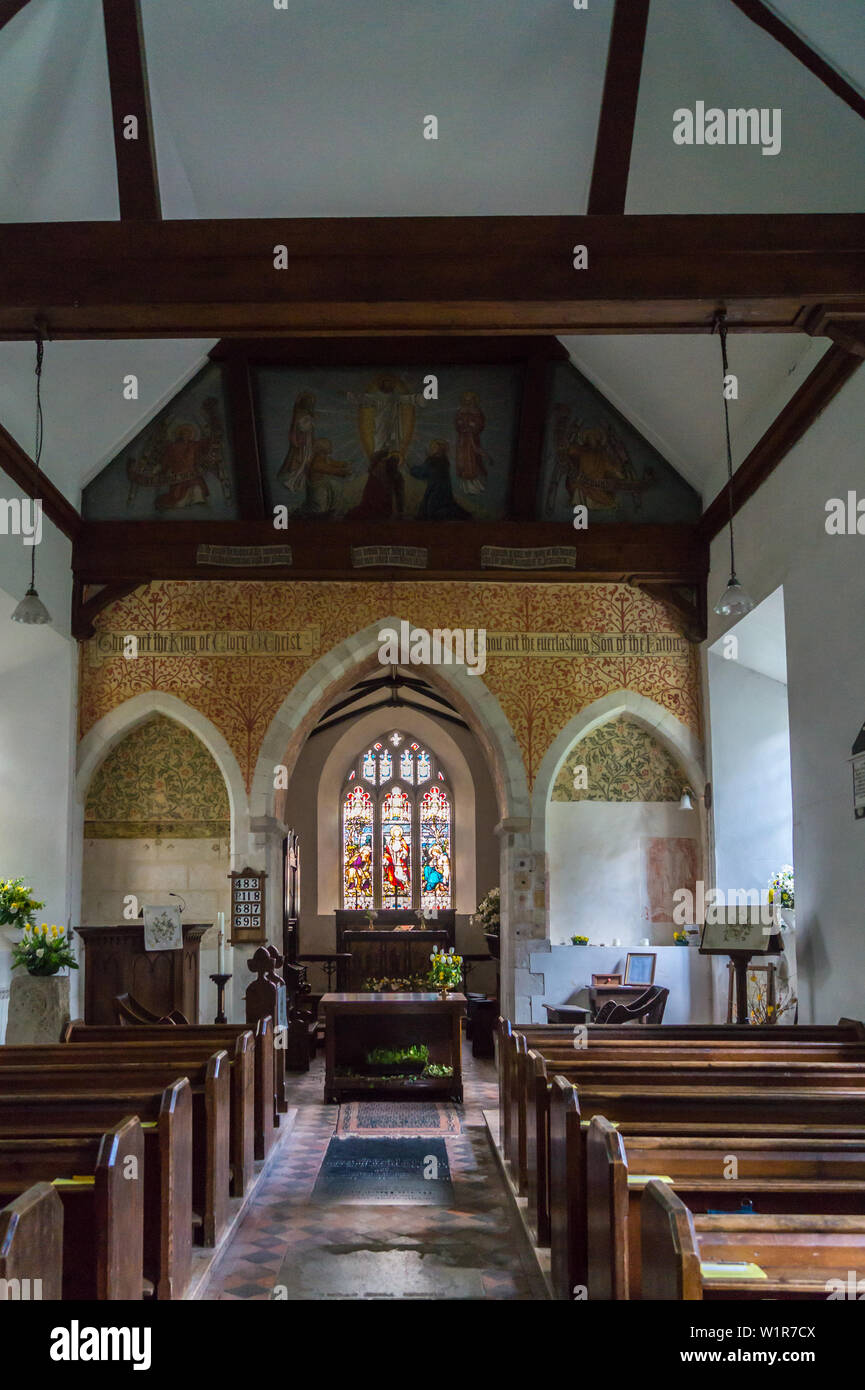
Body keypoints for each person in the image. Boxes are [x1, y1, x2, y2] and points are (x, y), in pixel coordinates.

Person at [410, 440, 471, 520]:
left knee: (430, 513)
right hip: (445, 493)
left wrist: (411, 469)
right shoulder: (444, 461)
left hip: (434, 493)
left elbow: (422, 473)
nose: (431, 448)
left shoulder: (432, 461)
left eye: (433, 447)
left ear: (438, 450)